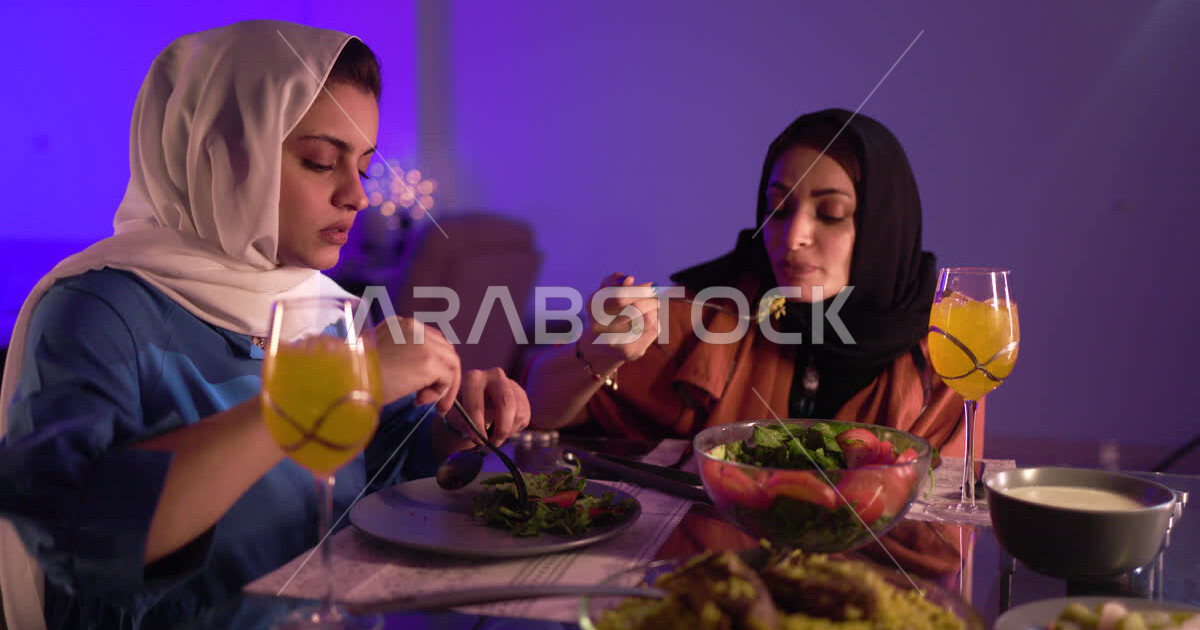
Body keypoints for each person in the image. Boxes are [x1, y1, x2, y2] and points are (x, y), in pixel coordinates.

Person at [0, 20, 529, 629]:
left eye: (362, 167)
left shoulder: (322, 303)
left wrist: (447, 433)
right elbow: (77, 532)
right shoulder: (99, 310)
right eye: (320, 161)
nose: (356, 196)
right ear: (222, 155)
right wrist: (328, 389)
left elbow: (357, 470)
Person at [523, 108, 980, 577]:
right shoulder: (722, 311)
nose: (792, 237)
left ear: (884, 228)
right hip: (714, 584)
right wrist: (597, 352)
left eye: (830, 214)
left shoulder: (941, 351)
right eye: (778, 209)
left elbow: (937, 543)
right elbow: (539, 406)